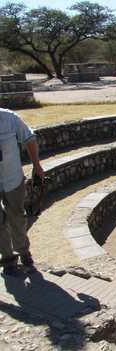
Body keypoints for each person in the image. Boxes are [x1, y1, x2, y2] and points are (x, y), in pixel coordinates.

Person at [0, 108, 44, 275]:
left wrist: (37, 165)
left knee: (17, 216)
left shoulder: (10, 118)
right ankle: (7, 258)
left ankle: (23, 252)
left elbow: (29, 138)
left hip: (13, 179)